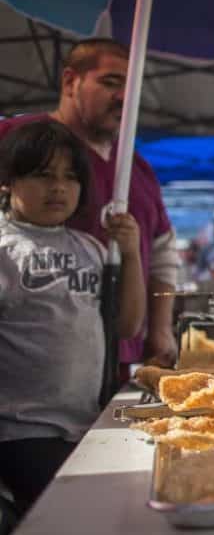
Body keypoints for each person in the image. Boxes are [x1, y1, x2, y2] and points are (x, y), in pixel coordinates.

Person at [0, 38, 181, 376]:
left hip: (118, 360)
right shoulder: (12, 138)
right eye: (110, 82)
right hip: (24, 372)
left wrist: (159, 327)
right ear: (71, 81)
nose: (124, 97)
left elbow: (162, 253)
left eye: (132, 87)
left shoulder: (139, 169)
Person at [0, 121, 144, 519]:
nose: (58, 188)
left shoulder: (93, 249)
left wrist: (130, 254)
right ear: (8, 182)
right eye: (43, 175)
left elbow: (127, 326)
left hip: (88, 423)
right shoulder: (5, 250)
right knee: (71, 518)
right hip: (21, 431)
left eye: (70, 177)